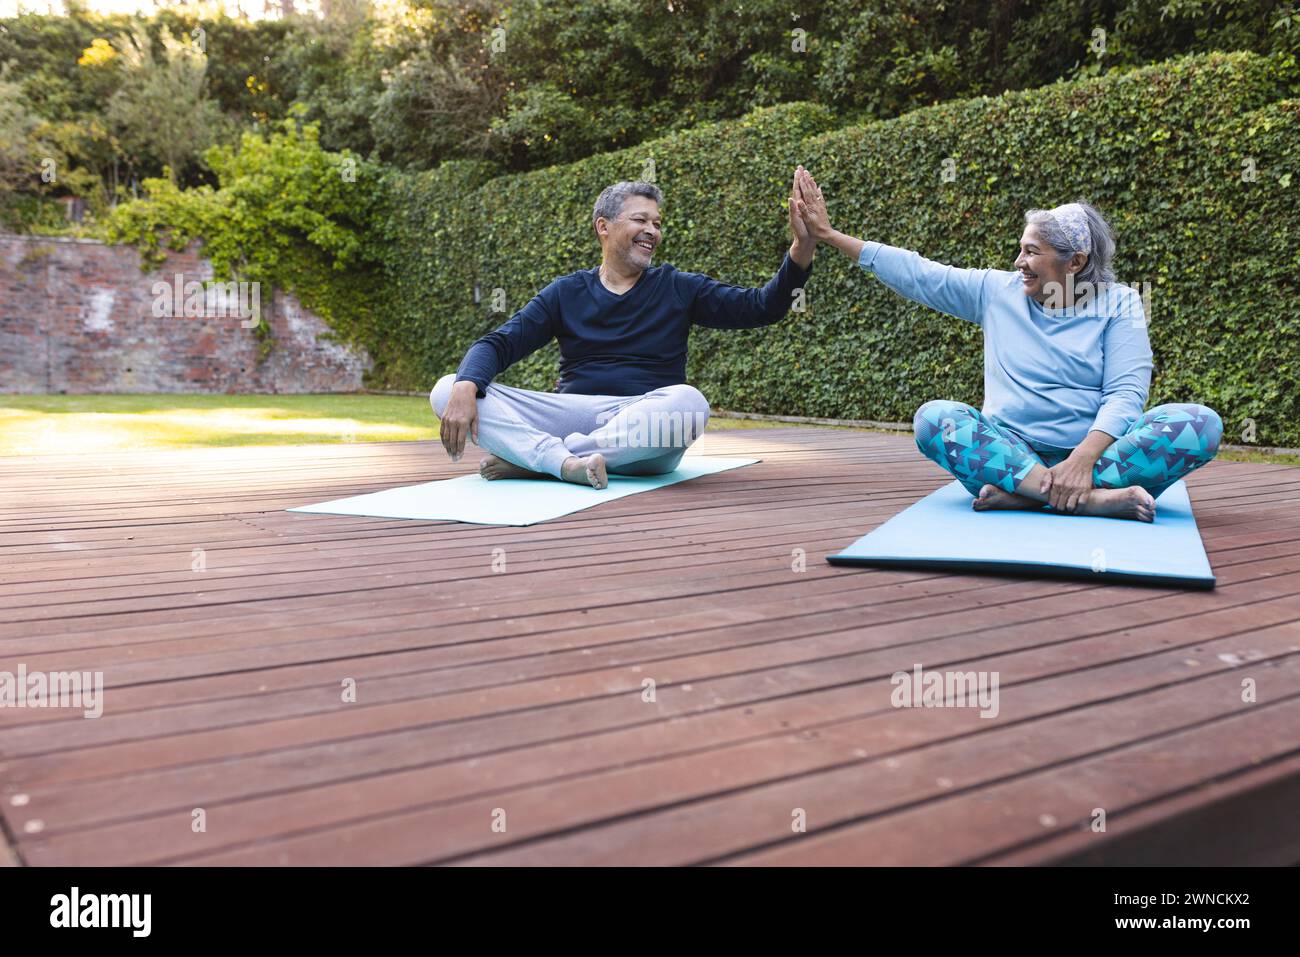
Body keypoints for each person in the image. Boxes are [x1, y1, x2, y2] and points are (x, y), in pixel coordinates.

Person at [793, 167, 1222, 522]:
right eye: (1020, 250)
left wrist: (1081, 461)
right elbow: (918, 273)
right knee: (934, 419)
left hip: (1095, 455)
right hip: (1012, 452)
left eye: (1032, 252)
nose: (1019, 263)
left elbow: (1126, 393)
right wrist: (829, 236)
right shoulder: (996, 291)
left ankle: (1029, 494)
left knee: (1201, 425)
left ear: (1075, 262)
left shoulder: (1120, 303)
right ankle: (1089, 501)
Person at [431, 175, 815, 488]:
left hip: (646, 424)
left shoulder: (679, 286)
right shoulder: (566, 292)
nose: (653, 230)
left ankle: (543, 460)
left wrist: (802, 245)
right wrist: (467, 386)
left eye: (657, 224)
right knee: (447, 388)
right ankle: (565, 462)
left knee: (690, 403)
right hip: (575, 411)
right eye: (641, 220)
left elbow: (762, 306)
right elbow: (498, 344)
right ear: (604, 226)